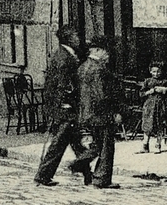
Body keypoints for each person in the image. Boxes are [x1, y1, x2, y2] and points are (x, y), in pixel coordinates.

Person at [33, 26, 83, 186]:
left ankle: (89, 173)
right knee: (59, 143)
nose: (78, 39)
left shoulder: (65, 54)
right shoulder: (64, 57)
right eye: (76, 35)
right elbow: (62, 85)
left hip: (64, 107)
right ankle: (43, 175)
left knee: (75, 142)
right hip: (64, 108)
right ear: (68, 38)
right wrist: (65, 103)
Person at [72, 39, 123, 188]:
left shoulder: (82, 67)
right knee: (106, 147)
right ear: (96, 51)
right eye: (106, 51)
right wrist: (114, 113)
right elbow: (102, 95)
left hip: (86, 113)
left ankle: (79, 163)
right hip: (101, 114)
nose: (108, 55)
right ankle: (101, 179)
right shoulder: (99, 69)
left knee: (97, 145)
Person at [139, 62, 167, 153]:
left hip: (160, 106)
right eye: (154, 72)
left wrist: (164, 90)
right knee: (147, 126)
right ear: (150, 72)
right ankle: (145, 146)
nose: (156, 74)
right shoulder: (147, 81)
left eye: (158, 72)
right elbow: (141, 94)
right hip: (149, 106)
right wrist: (150, 91)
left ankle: (158, 145)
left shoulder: (164, 82)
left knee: (159, 125)